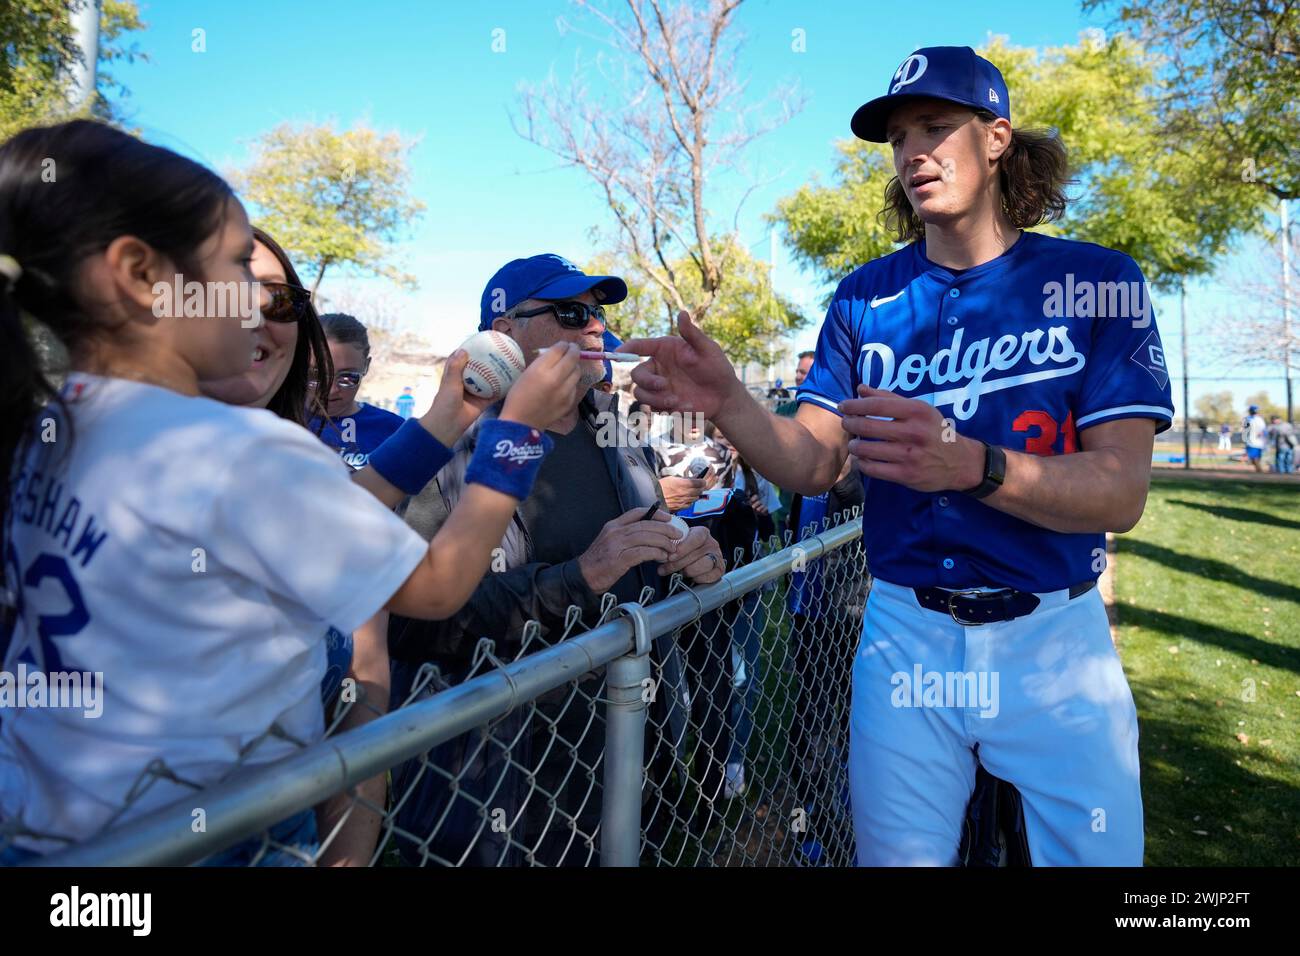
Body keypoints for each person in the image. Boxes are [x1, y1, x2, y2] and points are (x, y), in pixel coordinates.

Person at [620, 46, 1172, 866]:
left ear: (996, 138)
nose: (914, 150)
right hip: (905, 631)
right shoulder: (863, 295)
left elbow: (1121, 491)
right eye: (898, 135)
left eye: (937, 126)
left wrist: (973, 466)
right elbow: (810, 464)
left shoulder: (1095, 279)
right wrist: (729, 399)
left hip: (1051, 639)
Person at [0, 121, 580, 865]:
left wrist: (446, 416)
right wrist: (517, 434)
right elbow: (435, 587)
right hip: (216, 840)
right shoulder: (235, 449)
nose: (263, 299)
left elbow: (343, 514)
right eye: (240, 265)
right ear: (143, 276)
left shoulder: (49, 430)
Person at [386, 253, 726, 866]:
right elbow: (411, 620)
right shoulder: (444, 451)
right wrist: (579, 578)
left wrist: (691, 560)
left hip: (622, 746)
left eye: (597, 313)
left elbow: (641, 565)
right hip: (501, 773)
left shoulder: (617, 436)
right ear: (504, 334)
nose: (594, 327)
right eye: (570, 312)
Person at [308, 313, 405, 470]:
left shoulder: (394, 431)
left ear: (365, 367)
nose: (331, 390)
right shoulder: (277, 419)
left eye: (347, 378)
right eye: (316, 375)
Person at [1243, 404, 1267, 473]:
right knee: (1256, 457)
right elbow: (1264, 431)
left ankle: (1259, 470)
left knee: (1254, 458)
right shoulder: (1260, 419)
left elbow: (1245, 431)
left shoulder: (1248, 419)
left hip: (1252, 442)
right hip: (1259, 442)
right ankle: (1258, 470)